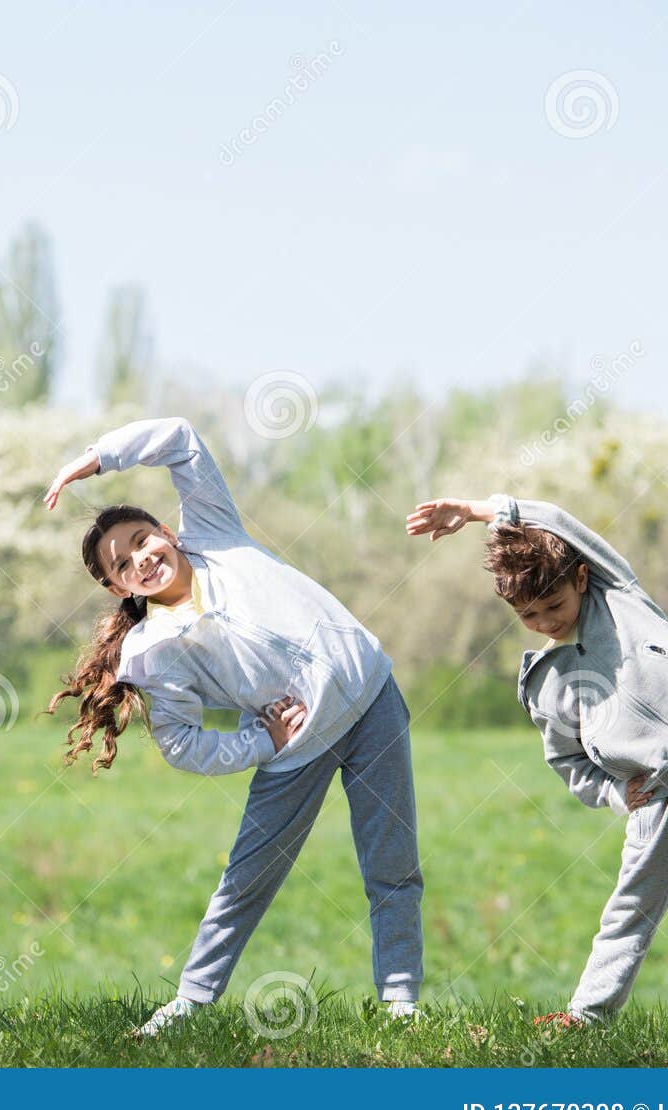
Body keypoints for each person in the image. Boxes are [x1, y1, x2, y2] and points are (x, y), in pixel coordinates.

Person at [43, 417, 424, 1036]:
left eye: (143, 539)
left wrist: (94, 460)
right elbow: (185, 738)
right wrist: (258, 737)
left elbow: (181, 439)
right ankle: (191, 1002)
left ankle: (402, 1002)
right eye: (122, 563)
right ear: (114, 586)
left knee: (392, 864)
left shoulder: (216, 535)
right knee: (245, 881)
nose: (141, 558)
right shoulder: (155, 649)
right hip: (295, 748)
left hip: (372, 696)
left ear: (167, 531)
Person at [406, 495, 668, 1046]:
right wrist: (619, 795)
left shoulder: (616, 594)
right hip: (653, 792)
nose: (546, 621)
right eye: (530, 616)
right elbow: (568, 762)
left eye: (554, 603)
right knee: (631, 903)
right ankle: (588, 1015)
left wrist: (481, 511)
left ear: (580, 577)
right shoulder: (545, 684)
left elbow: (553, 518)